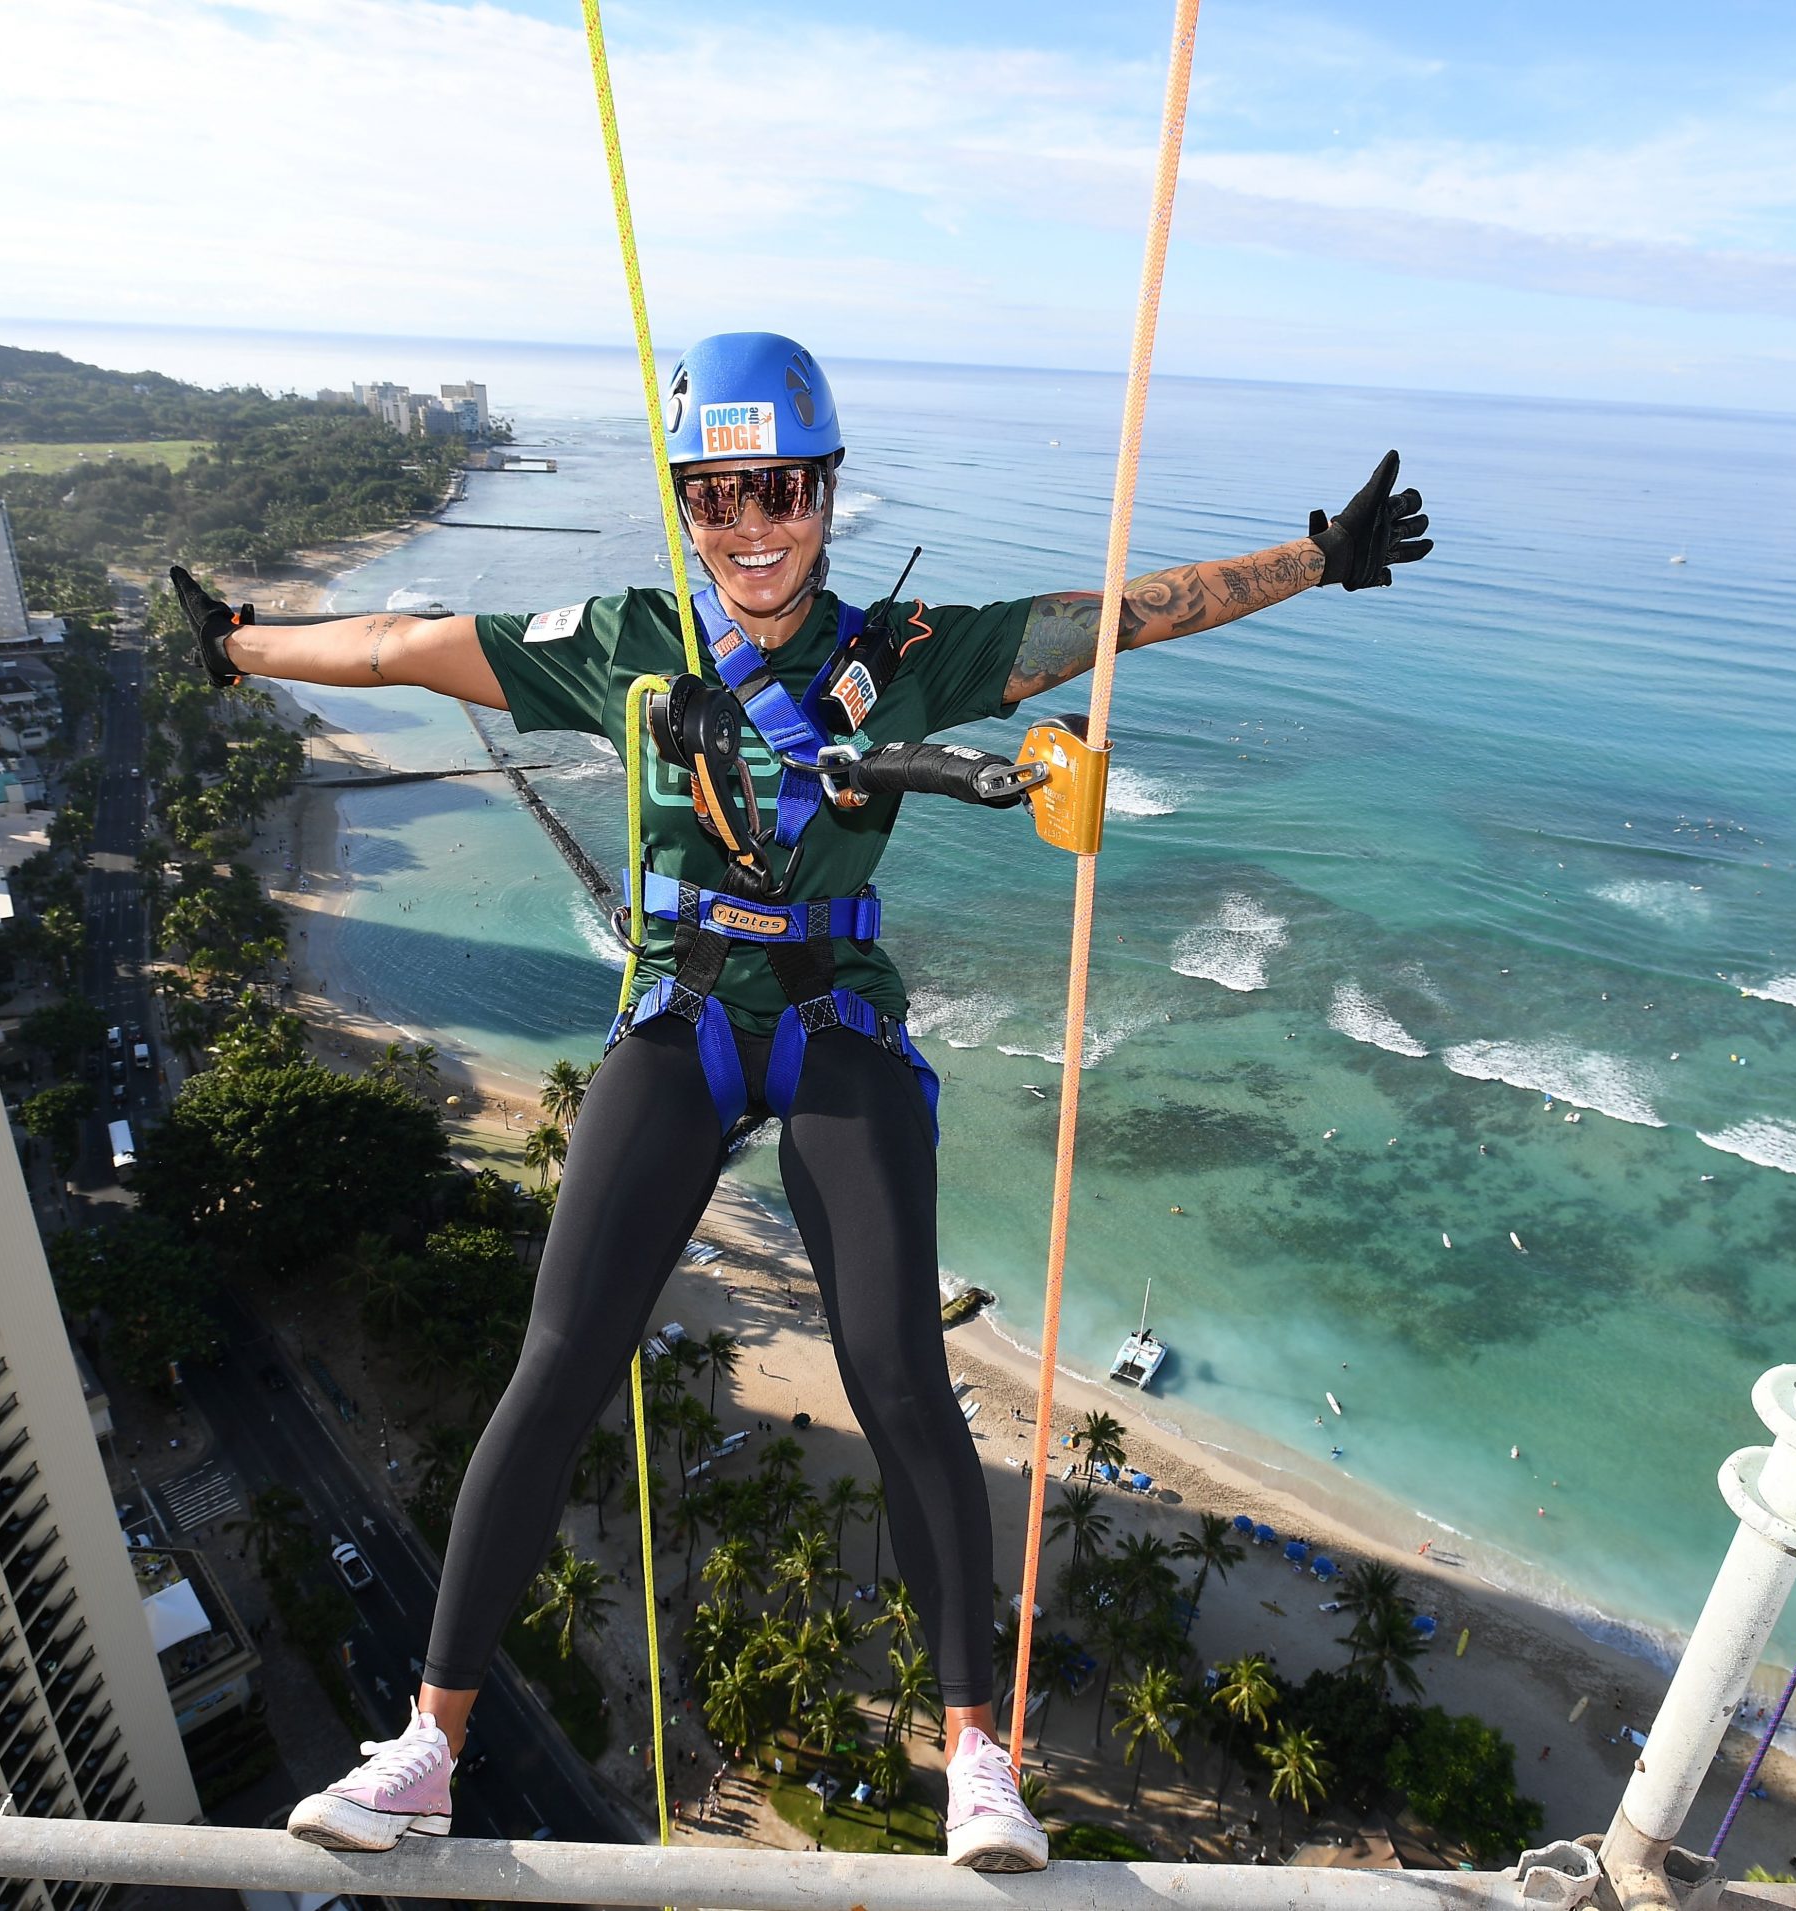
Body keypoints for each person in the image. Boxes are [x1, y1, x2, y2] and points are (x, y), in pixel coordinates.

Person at [171, 332, 1432, 1870]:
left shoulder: (900, 652)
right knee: (559, 1358)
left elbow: (1110, 620)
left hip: (834, 1021)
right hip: (686, 1016)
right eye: (718, 495)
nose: (751, 525)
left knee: (899, 1369)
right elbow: (401, 647)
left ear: (827, 494)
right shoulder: (629, 640)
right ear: (688, 506)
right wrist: (240, 644)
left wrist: (1311, 560)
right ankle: (429, 1741)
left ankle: (980, 1761)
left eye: (778, 489)